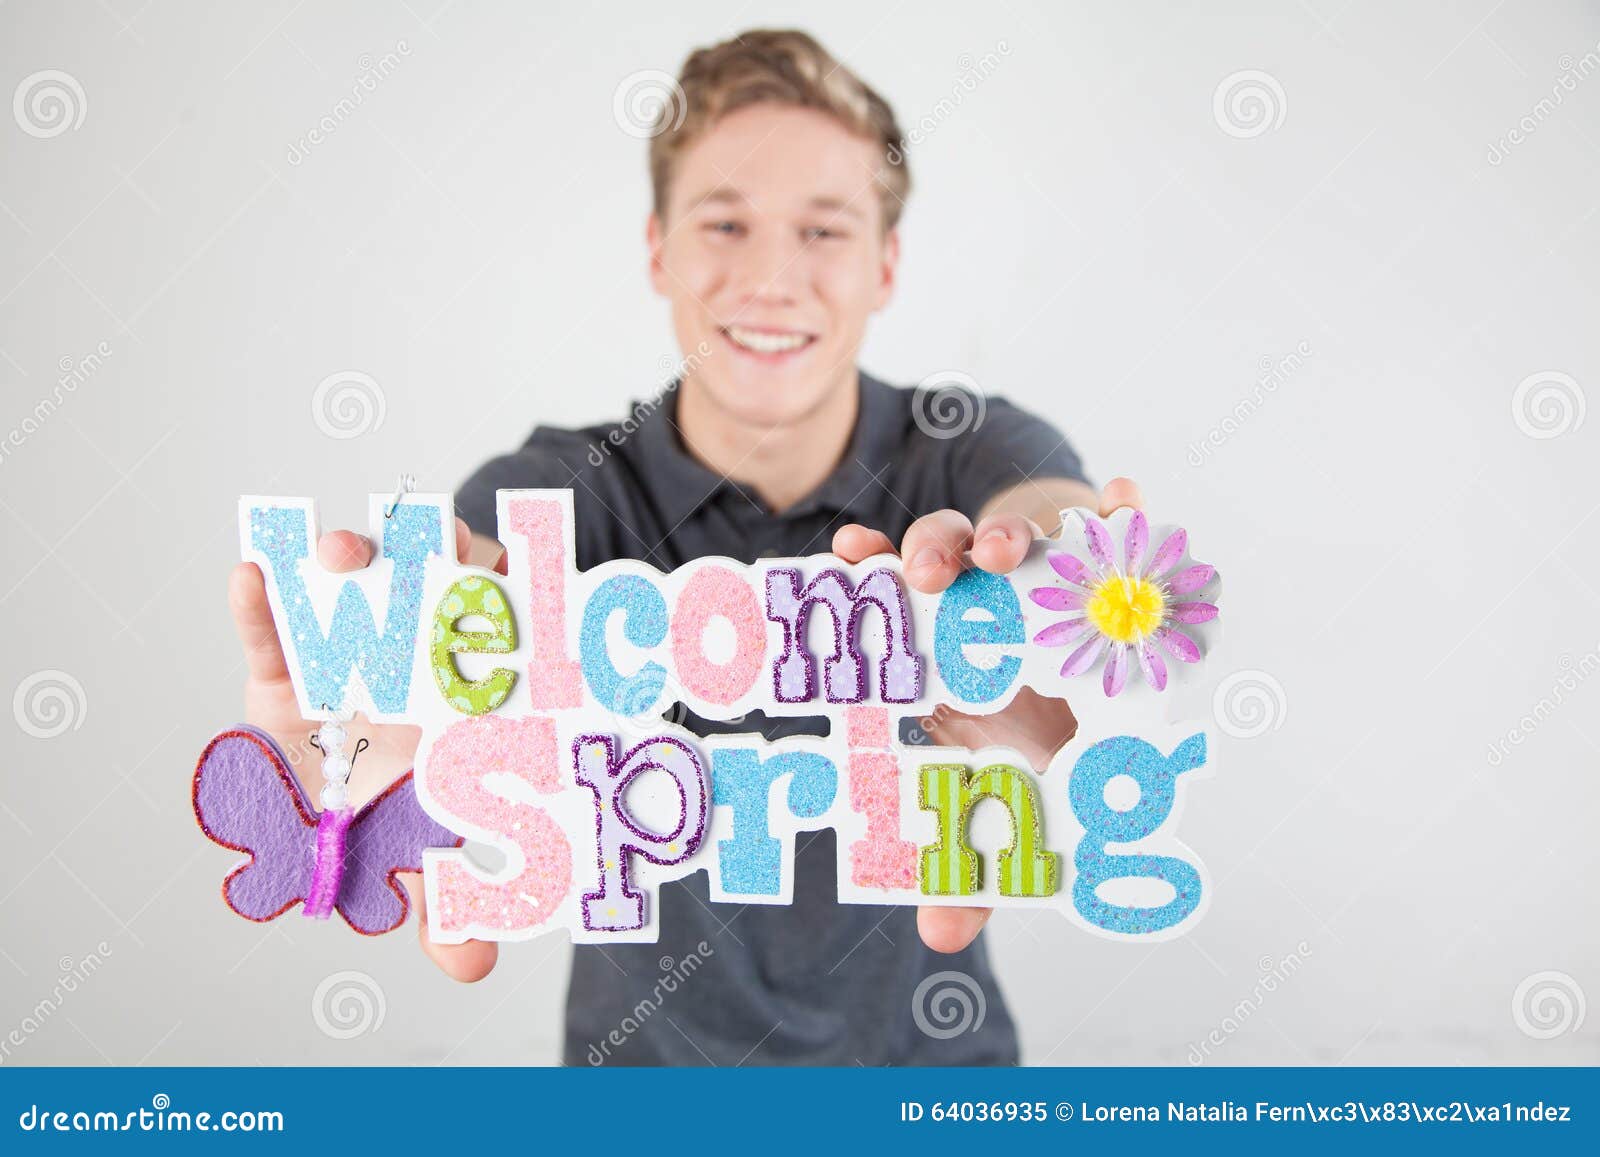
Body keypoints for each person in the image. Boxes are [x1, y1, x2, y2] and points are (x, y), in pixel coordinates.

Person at [227, 28, 1142, 1065]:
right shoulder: (554, 494)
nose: (771, 277)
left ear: (885, 265)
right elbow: (464, 582)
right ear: (658, 247)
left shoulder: (964, 447)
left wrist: (1048, 573)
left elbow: (1052, 507)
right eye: (725, 222)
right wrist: (367, 734)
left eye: (823, 230)